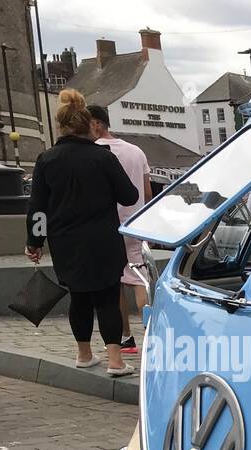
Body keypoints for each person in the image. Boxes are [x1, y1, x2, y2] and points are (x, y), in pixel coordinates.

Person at [25, 89, 138, 376]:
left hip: (66, 243)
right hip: (103, 239)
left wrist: (34, 242)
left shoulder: (46, 159)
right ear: (90, 125)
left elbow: (38, 208)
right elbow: (129, 196)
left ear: (61, 126)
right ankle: (115, 360)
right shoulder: (103, 158)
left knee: (80, 297)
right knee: (108, 297)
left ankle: (84, 354)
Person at [88, 104, 151, 355]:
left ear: (96, 124)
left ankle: (126, 337)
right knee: (139, 279)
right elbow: (147, 193)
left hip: (106, 225)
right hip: (136, 222)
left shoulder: (92, 153)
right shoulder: (136, 151)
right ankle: (151, 334)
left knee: (113, 283)